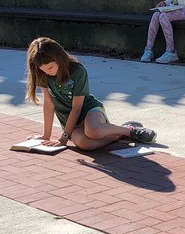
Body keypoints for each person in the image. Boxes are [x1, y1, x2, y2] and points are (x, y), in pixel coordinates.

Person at [25, 37, 157, 150]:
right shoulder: (42, 74)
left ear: (59, 59)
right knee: (84, 144)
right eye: (43, 70)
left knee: (93, 130)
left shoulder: (77, 70)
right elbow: (49, 104)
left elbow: (77, 107)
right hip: (71, 122)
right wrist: (46, 136)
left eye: (50, 68)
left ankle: (130, 130)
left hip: (89, 111)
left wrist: (64, 138)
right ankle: (118, 134)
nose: (48, 72)